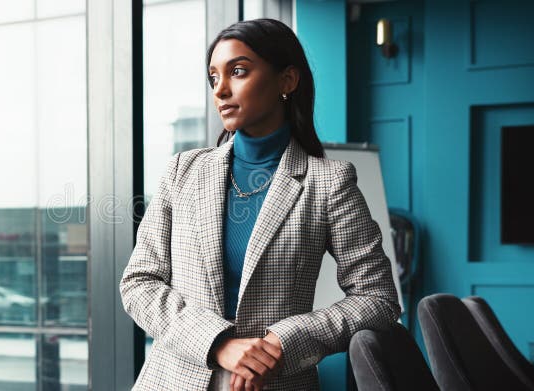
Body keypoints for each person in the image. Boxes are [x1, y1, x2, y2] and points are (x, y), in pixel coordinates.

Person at [120, 18, 400, 391]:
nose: (221, 90)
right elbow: (139, 283)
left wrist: (284, 342)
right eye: (213, 77)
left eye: (237, 71)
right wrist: (217, 342)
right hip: (171, 380)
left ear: (287, 80)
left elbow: (378, 299)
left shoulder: (329, 182)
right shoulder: (182, 171)